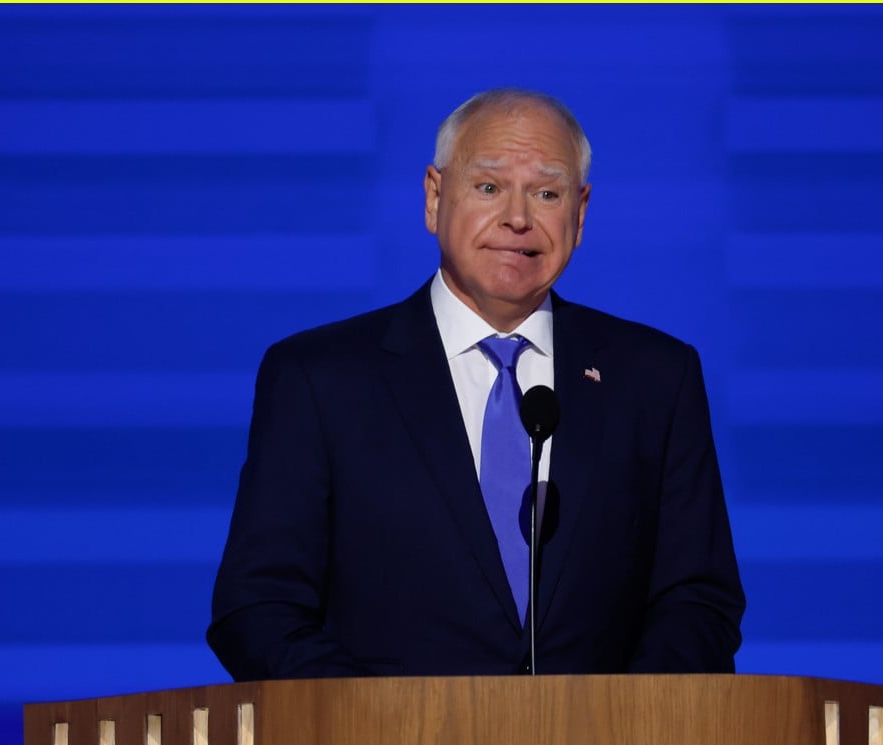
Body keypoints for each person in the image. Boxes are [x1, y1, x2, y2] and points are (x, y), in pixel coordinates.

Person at [207, 88, 745, 679]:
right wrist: (390, 737)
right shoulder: (318, 378)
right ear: (435, 198)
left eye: (546, 193)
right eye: (488, 187)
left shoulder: (655, 378)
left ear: (581, 212)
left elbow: (698, 601)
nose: (518, 218)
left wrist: (621, 733)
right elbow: (258, 609)